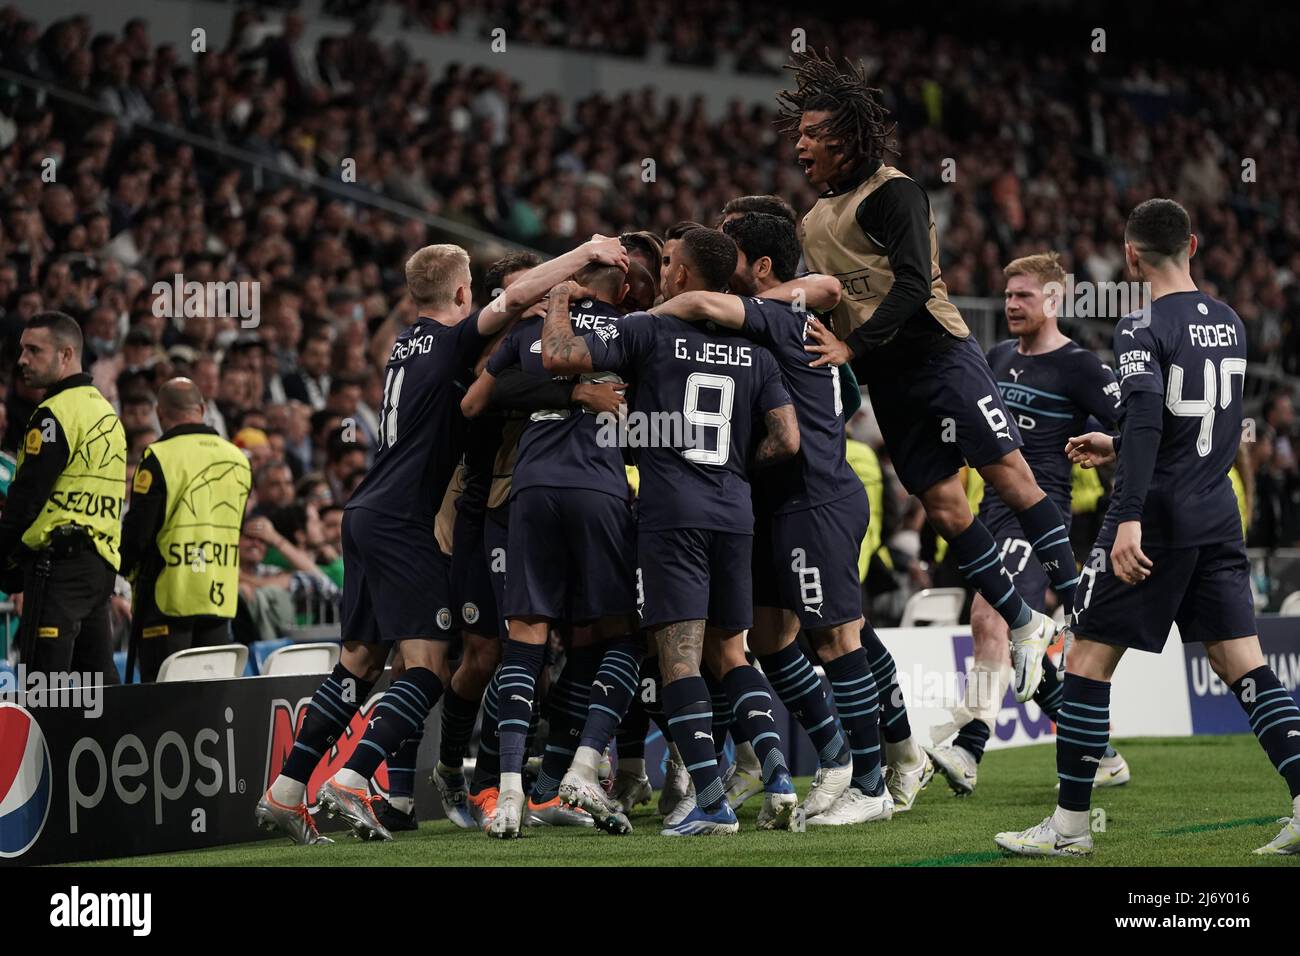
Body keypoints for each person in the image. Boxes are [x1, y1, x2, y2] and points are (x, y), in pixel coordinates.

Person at [256, 237, 629, 845]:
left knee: (359, 662)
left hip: (365, 512)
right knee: (428, 668)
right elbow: (510, 305)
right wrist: (587, 252)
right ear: (461, 293)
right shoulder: (456, 339)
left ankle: (288, 790)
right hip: (406, 521)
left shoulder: (405, 343)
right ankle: (353, 778)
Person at [995, 199, 1300, 857]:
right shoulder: (1231, 321)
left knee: (1085, 660)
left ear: (1131, 256)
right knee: (1240, 661)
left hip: (1158, 515)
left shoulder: (1140, 325)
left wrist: (1127, 515)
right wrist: (1113, 442)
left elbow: (1147, 422)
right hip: (1217, 512)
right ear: (1192, 245)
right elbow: (1187, 426)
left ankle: (1071, 829)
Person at [783, 51, 1063, 703]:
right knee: (943, 507)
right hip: (891, 379)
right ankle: (1026, 624)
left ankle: (1069, 605)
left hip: (940, 355)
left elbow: (912, 283)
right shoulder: (813, 222)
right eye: (797, 134)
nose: (798, 143)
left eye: (810, 133)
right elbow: (830, 298)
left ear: (845, 140)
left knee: (1010, 477)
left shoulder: (895, 193)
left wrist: (853, 347)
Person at [661, 212, 930, 823]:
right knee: (769, 635)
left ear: (759, 267)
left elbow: (824, 288)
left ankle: (871, 781)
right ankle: (843, 758)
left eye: (731, 256)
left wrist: (650, 316)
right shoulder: (784, 319)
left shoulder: (779, 315)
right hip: (777, 505)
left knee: (840, 636)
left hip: (815, 499)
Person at [542, 226, 802, 836]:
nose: (661, 271)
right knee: (733, 654)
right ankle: (780, 778)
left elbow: (558, 356)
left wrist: (558, 296)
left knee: (679, 659)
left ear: (682, 276)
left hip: (673, 516)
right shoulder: (756, 350)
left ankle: (710, 802)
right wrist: (737, 462)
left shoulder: (651, 329)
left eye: (667, 263)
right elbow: (787, 438)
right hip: (735, 513)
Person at [928, 252, 1130, 795]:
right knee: (1022, 640)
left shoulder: (1081, 367)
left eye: (1023, 295)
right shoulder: (993, 356)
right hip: (988, 512)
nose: (1012, 304)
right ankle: (1100, 751)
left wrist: (1107, 451)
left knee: (989, 617)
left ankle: (968, 752)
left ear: (1054, 299)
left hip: (1038, 517)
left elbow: (1135, 430)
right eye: (1008, 294)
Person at [0, 311, 125, 684]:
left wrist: (4, 563)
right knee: (97, 687)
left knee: (47, 691)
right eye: (22, 350)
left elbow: (26, 499)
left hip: (58, 569)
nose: (22, 360)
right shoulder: (105, 413)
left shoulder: (54, 415)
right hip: (98, 570)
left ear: (66, 355)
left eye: (34, 350)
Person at [119, 377, 252, 682]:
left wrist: (123, 569)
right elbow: (236, 527)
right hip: (219, 598)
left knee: (165, 706)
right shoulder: (238, 459)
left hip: (168, 600)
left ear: (159, 412)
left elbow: (138, 532)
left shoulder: (159, 456)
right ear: (203, 408)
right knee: (209, 701)